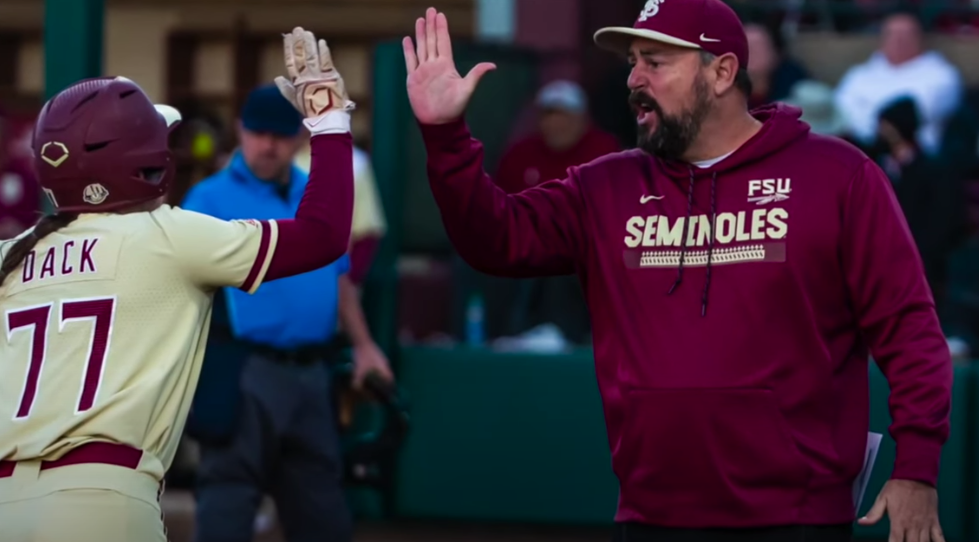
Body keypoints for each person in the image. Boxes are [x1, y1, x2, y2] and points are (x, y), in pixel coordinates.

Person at [403, 4, 951, 542]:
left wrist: (917, 467)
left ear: (722, 72)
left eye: (656, 62)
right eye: (632, 63)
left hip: (796, 517)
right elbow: (495, 240)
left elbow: (909, 330)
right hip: (651, 516)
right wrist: (446, 135)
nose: (635, 80)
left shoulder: (838, 176)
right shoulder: (605, 188)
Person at [0, 27, 355, 542]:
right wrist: (329, 121)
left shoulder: (11, 254)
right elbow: (323, 236)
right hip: (102, 501)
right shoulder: (168, 235)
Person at [184, 82, 393, 542]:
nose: (267, 145)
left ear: (299, 136)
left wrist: (363, 345)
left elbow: (341, 279)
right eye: (258, 133)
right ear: (240, 130)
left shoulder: (316, 194)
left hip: (311, 370)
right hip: (241, 367)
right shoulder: (206, 199)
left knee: (321, 507)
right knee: (227, 503)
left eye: (278, 134)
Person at [868, 96, 967, 313]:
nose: (880, 132)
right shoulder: (875, 165)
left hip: (918, 263)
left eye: (885, 127)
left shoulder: (935, 172)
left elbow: (944, 223)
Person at [834, 10, 962, 154]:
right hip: (863, 150)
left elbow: (922, 111)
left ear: (920, 38)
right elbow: (841, 111)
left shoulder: (941, 74)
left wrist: (878, 120)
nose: (898, 40)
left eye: (906, 34)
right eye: (892, 34)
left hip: (916, 157)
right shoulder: (859, 75)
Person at [743, 21, 809, 109]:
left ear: (776, 53)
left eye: (758, 47)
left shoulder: (798, 91)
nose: (750, 52)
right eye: (744, 46)